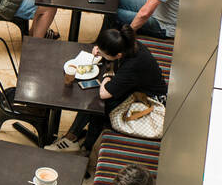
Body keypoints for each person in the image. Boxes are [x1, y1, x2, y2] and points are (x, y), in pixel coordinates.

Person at [50, 25, 167, 153]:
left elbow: (105, 93)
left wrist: (108, 74)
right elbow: (113, 59)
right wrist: (100, 50)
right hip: (137, 89)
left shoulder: (133, 64)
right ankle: (72, 137)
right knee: (96, 101)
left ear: (118, 55)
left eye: (103, 53)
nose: (100, 53)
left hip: (150, 102)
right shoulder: (127, 44)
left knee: (100, 105)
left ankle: (84, 148)